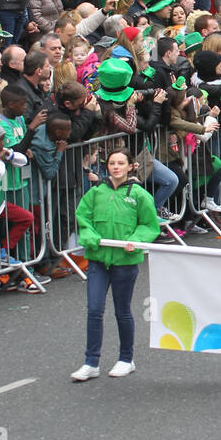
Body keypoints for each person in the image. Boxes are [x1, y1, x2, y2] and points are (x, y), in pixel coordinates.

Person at [71, 146, 160, 382]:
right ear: (107, 166)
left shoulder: (140, 195)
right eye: (112, 164)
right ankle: (91, 362)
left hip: (125, 261)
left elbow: (150, 225)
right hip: (99, 260)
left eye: (121, 163)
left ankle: (126, 359)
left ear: (131, 166)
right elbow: (83, 216)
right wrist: (89, 236)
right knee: (94, 309)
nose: (116, 167)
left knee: (122, 311)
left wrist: (135, 240)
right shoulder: (96, 191)